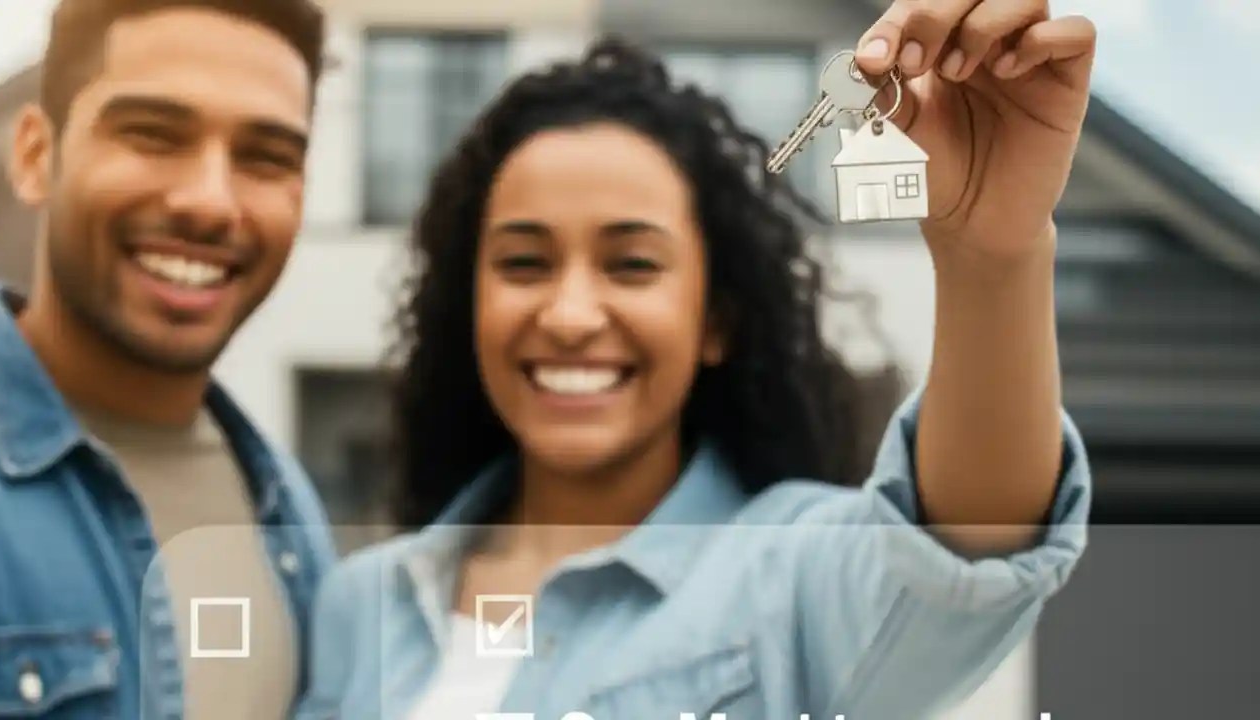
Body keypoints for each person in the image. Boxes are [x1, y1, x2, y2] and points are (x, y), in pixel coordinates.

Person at [299, 1, 1096, 718]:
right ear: (468, 302)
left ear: (715, 321)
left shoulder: (792, 579)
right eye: (524, 263)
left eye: (632, 264)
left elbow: (963, 551)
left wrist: (993, 255)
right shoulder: (360, 606)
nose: (570, 315)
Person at [0, 1, 335, 718]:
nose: (210, 203)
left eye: (265, 158)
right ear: (35, 156)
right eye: (153, 135)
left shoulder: (292, 513)